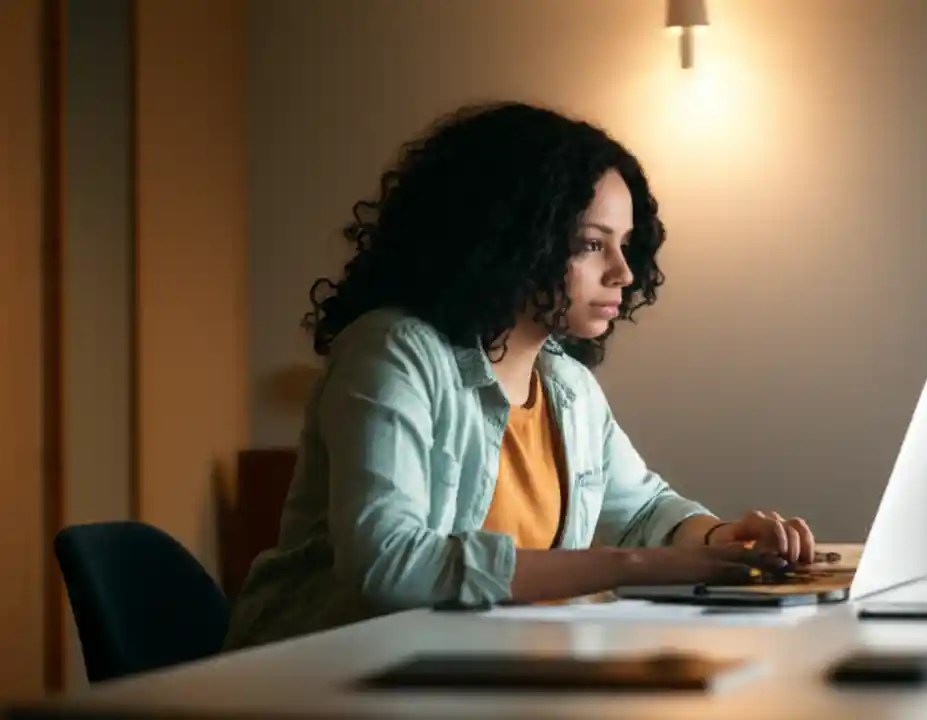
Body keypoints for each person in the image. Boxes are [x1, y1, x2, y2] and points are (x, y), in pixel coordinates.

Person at [224, 102, 817, 649]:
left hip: (477, 672)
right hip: (323, 673)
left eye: (625, 246)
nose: (622, 274)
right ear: (512, 240)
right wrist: (631, 567)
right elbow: (388, 565)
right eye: (591, 244)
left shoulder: (568, 387)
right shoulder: (393, 351)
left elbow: (641, 514)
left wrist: (725, 539)